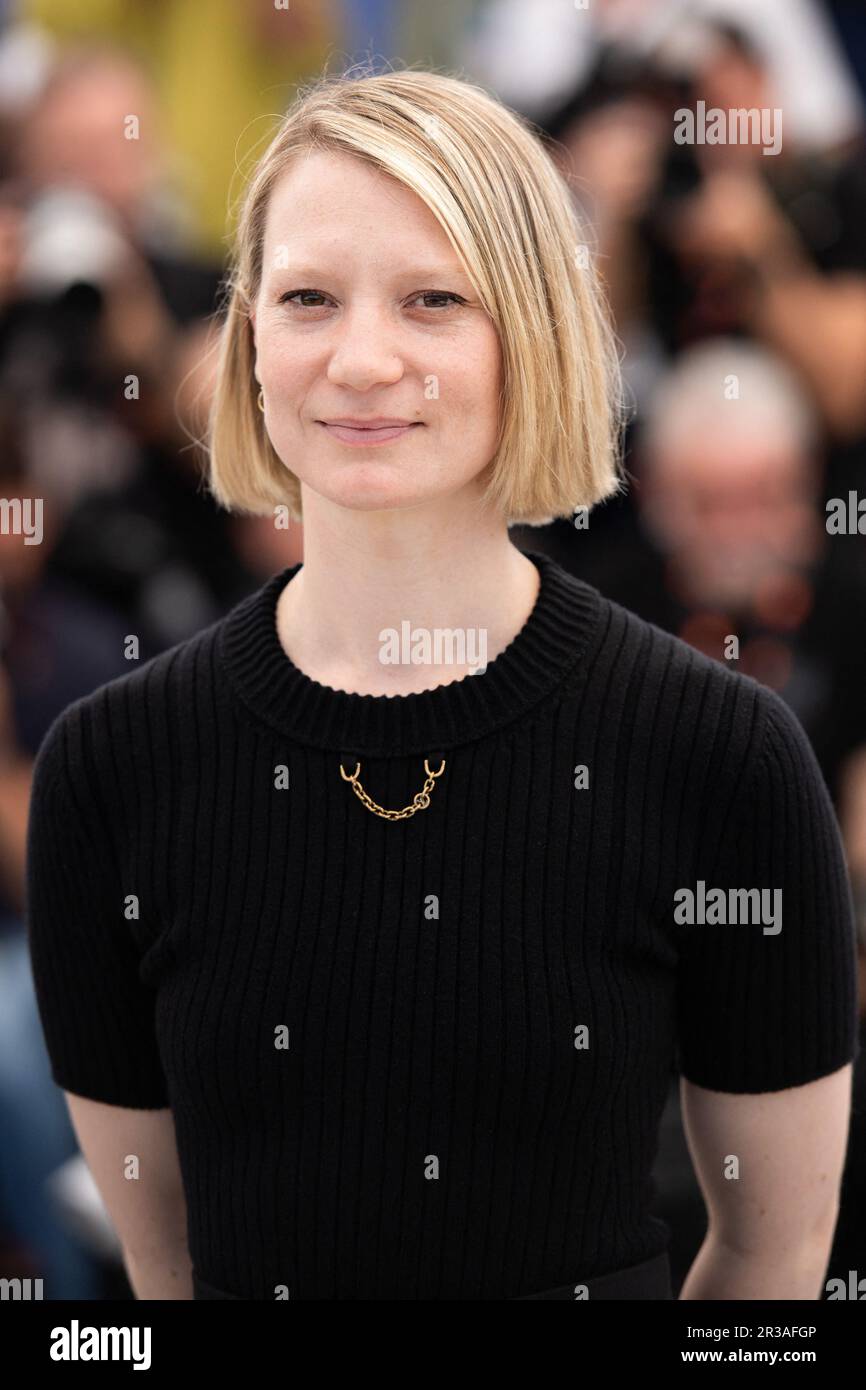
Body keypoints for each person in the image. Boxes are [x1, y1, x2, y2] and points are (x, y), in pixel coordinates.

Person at [25, 68, 859, 1301]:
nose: (361, 360)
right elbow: (164, 1270)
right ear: (250, 335)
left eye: (432, 300)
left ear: (530, 332)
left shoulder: (717, 756)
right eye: (307, 297)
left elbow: (773, 1257)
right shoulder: (112, 770)